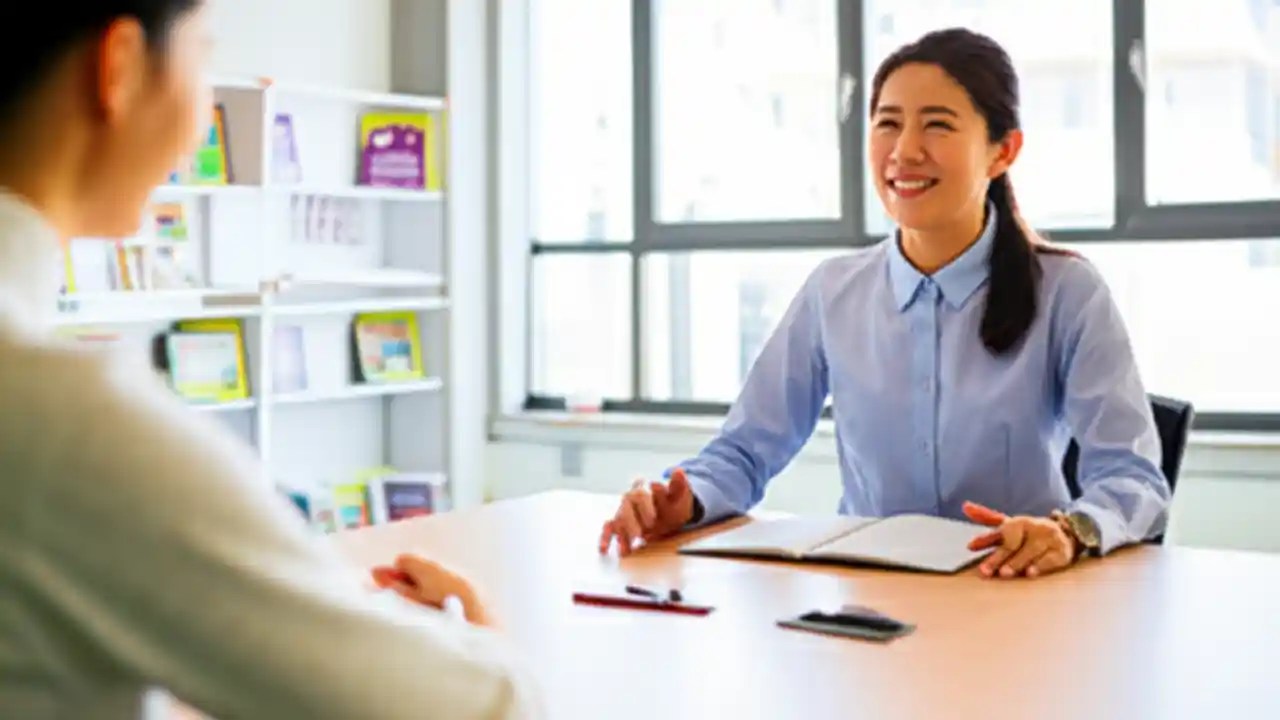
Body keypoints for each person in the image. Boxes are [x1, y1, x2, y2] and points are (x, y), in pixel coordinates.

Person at [0, 2, 538, 718]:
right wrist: (473, 631)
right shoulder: (71, 424)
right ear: (119, 67)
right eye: (203, 55)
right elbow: (485, 709)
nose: (203, 121)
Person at [599, 27, 1172, 580]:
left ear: (1003, 151)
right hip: (870, 597)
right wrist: (683, 500)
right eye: (888, 124)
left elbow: (1134, 479)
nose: (905, 151)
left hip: (1015, 590)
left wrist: (1069, 531)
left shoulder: (1068, 292)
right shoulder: (833, 291)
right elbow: (745, 450)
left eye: (937, 125)